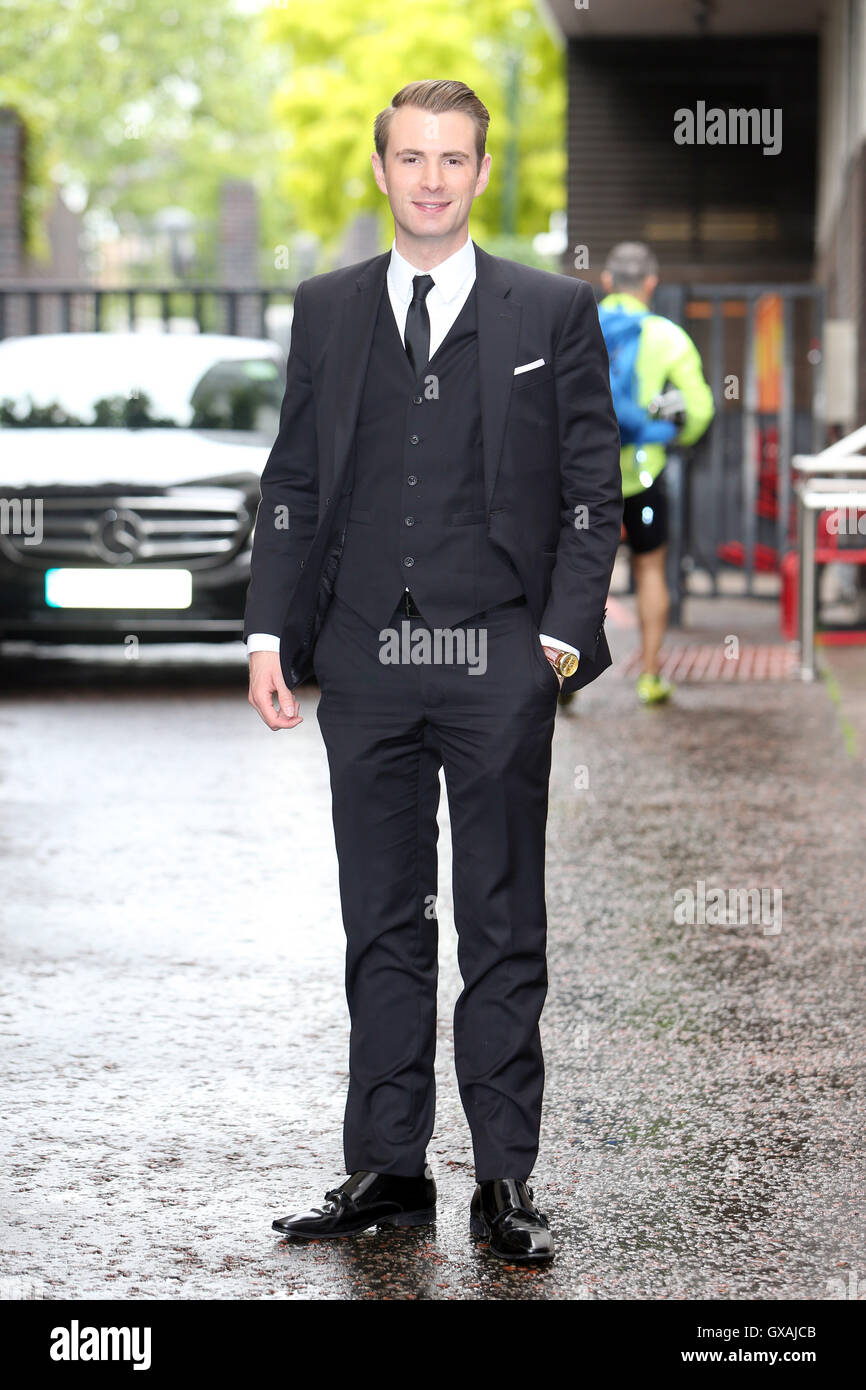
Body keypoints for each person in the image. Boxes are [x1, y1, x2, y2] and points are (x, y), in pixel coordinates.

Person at [244, 79, 622, 1263]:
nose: (429, 178)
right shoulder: (326, 307)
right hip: (362, 655)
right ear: (379, 170)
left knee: (501, 922)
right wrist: (268, 633)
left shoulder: (550, 311)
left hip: (497, 654)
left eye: (451, 158)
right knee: (382, 918)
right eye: (409, 156)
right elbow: (296, 482)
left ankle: (504, 1180)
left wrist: (555, 642)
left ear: (477, 172)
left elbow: (588, 491)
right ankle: (389, 1168)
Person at [598, 242, 714, 704]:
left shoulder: (573, 324)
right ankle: (649, 676)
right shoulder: (667, 336)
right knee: (649, 569)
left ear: (606, 281)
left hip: (584, 479)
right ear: (651, 283)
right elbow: (701, 409)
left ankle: (564, 682)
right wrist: (668, 437)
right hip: (643, 478)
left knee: (579, 574)